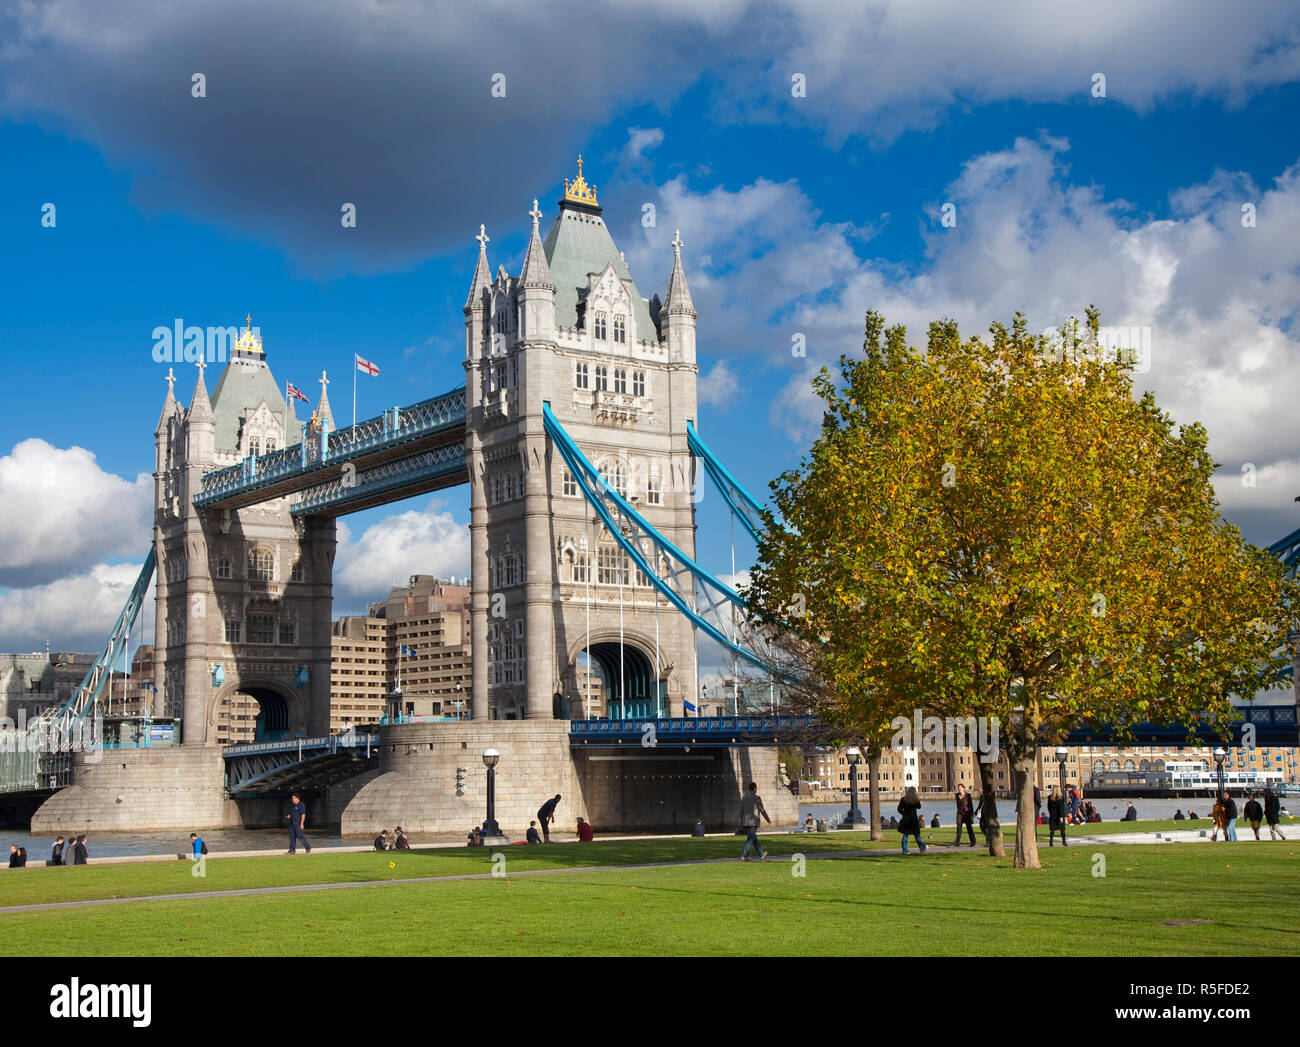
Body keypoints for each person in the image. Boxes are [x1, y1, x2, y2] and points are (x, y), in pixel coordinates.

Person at [739, 781, 771, 861]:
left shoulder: (744, 798)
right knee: (750, 839)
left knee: (753, 838)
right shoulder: (757, 798)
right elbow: (762, 810)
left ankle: (761, 854)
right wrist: (768, 819)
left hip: (745, 821)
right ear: (755, 788)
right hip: (753, 821)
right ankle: (744, 856)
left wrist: (739, 822)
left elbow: (741, 811)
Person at [897, 787, 926, 855]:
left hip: (906, 819)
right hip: (913, 819)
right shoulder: (915, 800)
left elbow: (899, 809)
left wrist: (904, 813)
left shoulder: (904, 799)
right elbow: (919, 807)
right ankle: (922, 847)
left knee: (905, 835)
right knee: (916, 834)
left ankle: (905, 850)